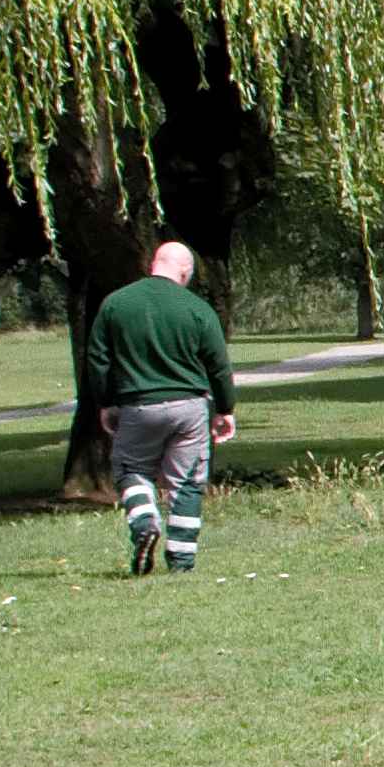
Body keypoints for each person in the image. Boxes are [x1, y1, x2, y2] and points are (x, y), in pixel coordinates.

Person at [84, 241, 235, 576]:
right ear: (185, 271)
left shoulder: (116, 304)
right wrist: (225, 408)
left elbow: (97, 360)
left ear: (154, 263)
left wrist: (106, 402)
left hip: (138, 406)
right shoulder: (197, 308)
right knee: (187, 482)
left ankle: (145, 522)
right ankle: (181, 562)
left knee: (131, 470)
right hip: (190, 408)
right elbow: (219, 365)